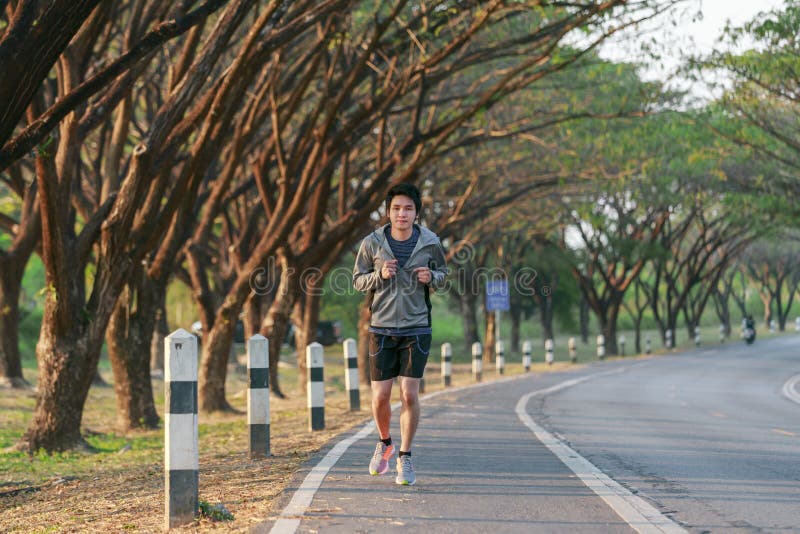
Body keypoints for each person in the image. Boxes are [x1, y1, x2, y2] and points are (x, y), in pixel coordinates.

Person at [352, 183, 447, 486]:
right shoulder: (373, 242)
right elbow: (357, 280)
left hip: (417, 327)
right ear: (388, 211)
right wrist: (378, 275)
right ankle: (384, 442)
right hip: (381, 327)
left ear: (416, 212)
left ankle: (405, 457)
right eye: (396, 208)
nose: (402, 214)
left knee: (409, 393)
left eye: (408, 208)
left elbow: (444, 275)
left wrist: (432, 276)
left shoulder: (431, 242)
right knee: (380, 398)